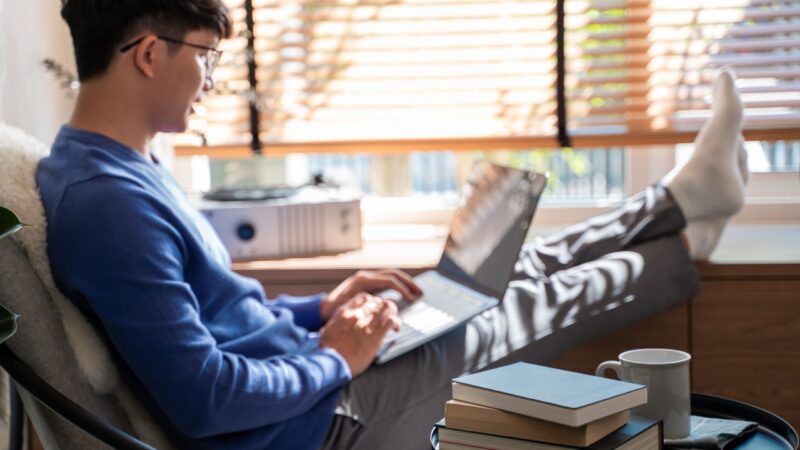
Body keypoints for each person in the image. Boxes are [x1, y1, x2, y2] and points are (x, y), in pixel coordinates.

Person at [37, 1, 748, 449]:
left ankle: (681, 204)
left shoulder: (121, 167)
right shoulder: (107, 207)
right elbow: (205, 400)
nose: (212, 81)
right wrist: (339, 359)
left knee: (494, 273)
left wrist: (324, 307)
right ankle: (685, 233)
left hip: (308, 373)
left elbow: (215, 317)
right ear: (151, 55)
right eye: (205, 58)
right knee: (515, 301)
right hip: (319, 420)